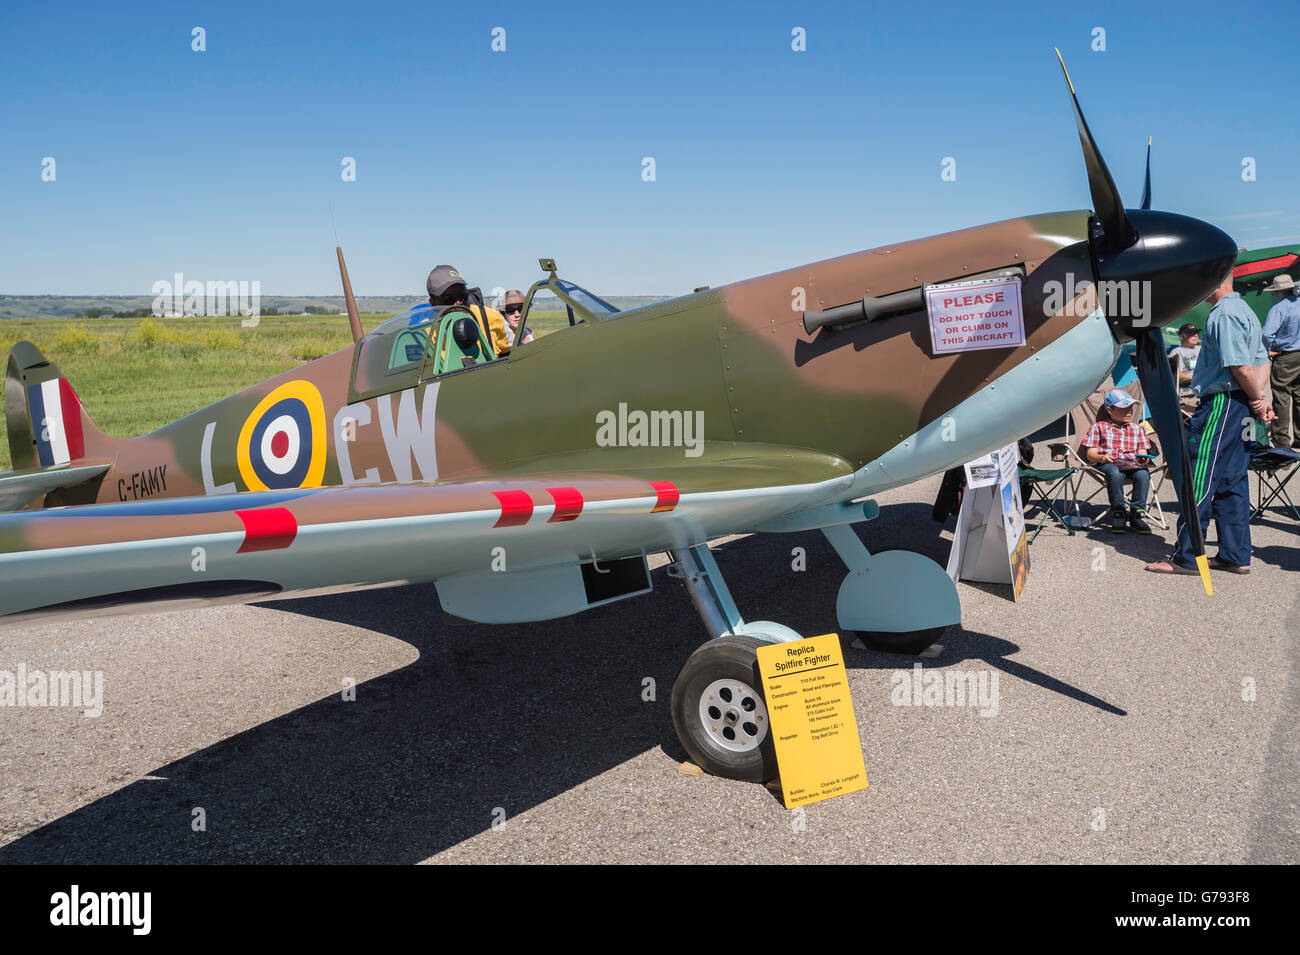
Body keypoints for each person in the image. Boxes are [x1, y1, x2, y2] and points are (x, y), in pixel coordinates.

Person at [1147, 272, 1276, 576]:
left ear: (1216, 281)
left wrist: (1257, 399)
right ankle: (1235, 554)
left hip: (1223, 402)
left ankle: (1187, 557)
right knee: (1232, 480)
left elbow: (1240, 366)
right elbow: (1262, 361)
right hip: (1240, 401)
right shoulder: (1245, 310)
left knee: (1200, 477)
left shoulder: (1225, 313)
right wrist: (1257, 399)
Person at [1081, 389, 1154, 533]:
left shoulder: (1136, 429)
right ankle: (1119, 512)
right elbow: (1090, 454)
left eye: (1130, 408)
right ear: (1109, 410)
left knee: (1143, 474)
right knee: (1115, 474)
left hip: (1131, 463)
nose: (1129, 412)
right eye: (1123, 408)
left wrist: (1144, 458)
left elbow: (1141, 452)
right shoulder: (1099, 427)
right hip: (1108, 462)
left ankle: (1137, 515)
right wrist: (1102, 458)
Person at [426, 265, 511, 357]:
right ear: (433, 303)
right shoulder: (426, 332)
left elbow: (512, 355)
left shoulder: (492, 317)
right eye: (449, 299)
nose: (458, 302)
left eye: (462, 296)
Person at [1262, 273, 1300, 447]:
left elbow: (1267, 334)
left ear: (1278, 292)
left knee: (1281, 396)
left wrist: (1267, 350)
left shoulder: (1279, 308)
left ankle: (1281, 439)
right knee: (1299, 396)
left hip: (1285, 356)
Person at [1169, 322, 1201, 411]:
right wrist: (1199, 377)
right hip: (1189, 390)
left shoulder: (1203, 349)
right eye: (1190, 333)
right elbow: (1177, 376)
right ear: (1181, 337)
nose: (1195, 335)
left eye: (1196, 332)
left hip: (1206, 386)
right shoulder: (1177, 352)